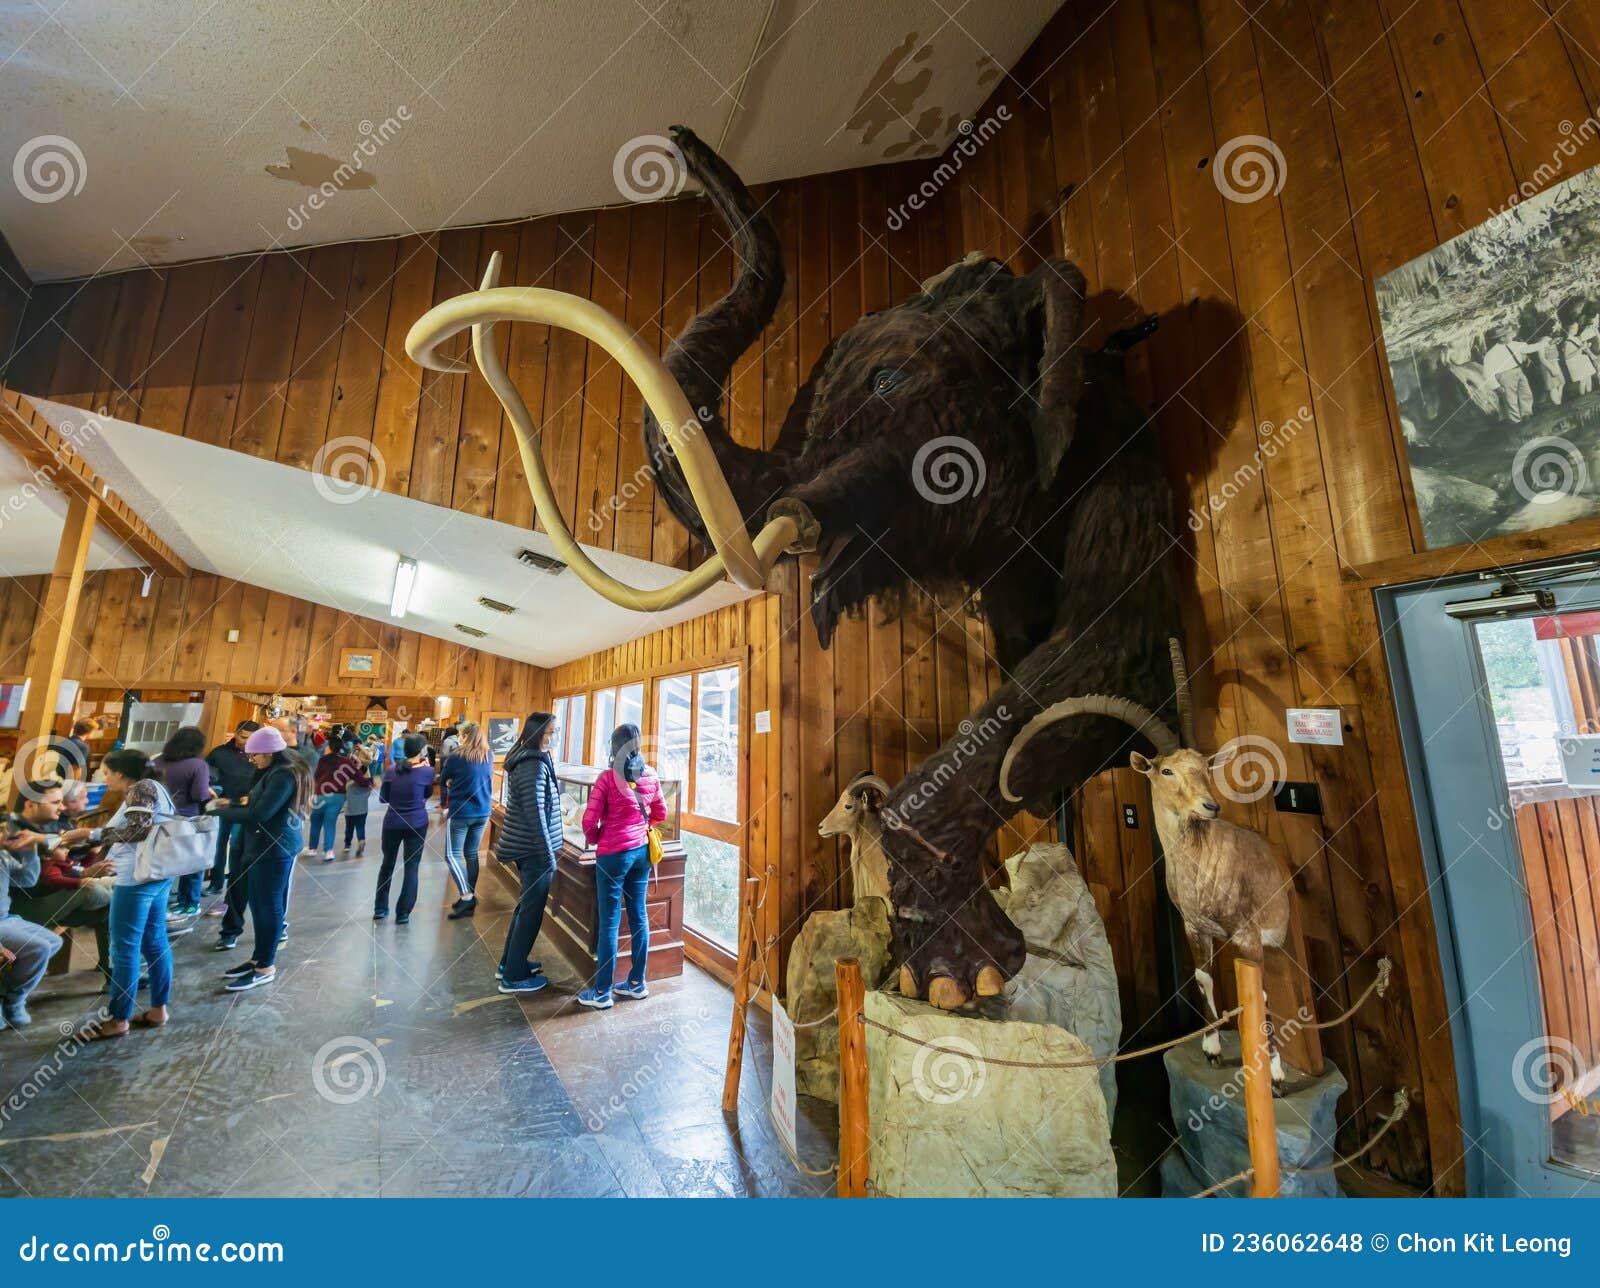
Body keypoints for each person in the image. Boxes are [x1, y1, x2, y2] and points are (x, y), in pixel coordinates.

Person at [60, 751, 177, 1040]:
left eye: (107, 772)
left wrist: (91, 834)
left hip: (136, 877)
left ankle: (118, 1018)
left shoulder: (141, 788)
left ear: (123, 774)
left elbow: (138, 830)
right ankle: (158, 1009)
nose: (104, 777)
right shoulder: (155, 788)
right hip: (158, 873)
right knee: (154, 940)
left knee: (124, 947)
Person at [208, 726, 311, 991]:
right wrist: (230, 806)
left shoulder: (284, 776)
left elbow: (261, 814)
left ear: (269, 752)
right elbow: (256, 807)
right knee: (259, 904)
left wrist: (219, 814)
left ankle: (265, 965)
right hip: (264, 846)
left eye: (254, 755)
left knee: (268, 907)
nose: (250, 759)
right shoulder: (273, 772)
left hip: (274, 849)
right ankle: (257, 958)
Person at [577, 723, 665, 1011]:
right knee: (639, 916)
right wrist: (642, 826)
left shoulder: (607, 778)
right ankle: (637, 983)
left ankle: (603, 991)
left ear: (613, 746)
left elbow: (588, 823)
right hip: (640, 853)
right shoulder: (650, 774)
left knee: (610, 923)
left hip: (613, 856)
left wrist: (598, 838)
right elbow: (661, 813)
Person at [14, 781, 116, 987]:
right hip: (20, 910)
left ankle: (113, 975)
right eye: (56, 802)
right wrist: (83, 874)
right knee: (93, 891)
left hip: (46, 900)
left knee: (107, 911)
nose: (62, 807)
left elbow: (61, 866)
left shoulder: (42, 830)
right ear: (30, 804)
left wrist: (84, 870)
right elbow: (46, 877)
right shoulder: (15, 831)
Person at [495, 713, 563, 995]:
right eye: (552, 731)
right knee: (531, 912)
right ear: (539, 733)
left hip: (529, 845)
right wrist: (548, 854)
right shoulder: (532, 764)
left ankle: (511, 963)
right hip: (534, 849)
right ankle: (513, 978)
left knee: (526, 908)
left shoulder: (531, 758)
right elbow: (536, 813)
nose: (555, 735)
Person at [0, 783, 65, 1028]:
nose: (61, 807)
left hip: (6, 917)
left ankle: (7, 994)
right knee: (37, 948)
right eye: (55, 802)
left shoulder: (5, 850)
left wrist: (29, 852)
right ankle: (14, 1000)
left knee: (52, 942)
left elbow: (26, 880)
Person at [374, 733, 434, 924]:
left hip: (392, 822)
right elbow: (428, 794)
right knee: (412, 867)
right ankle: (403, 912)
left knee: (387, 864)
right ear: (421, 751)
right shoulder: (427, 772)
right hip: (417, 822)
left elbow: (383, 798)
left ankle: (380, 908)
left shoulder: (392, 771)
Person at [157, 725, 216, 921]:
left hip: (161, 819)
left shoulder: (157, 761)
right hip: (188, 820)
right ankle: (189, 904)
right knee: (192, 862)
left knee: (164, 864)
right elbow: (199, 794)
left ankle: (161, 905)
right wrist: (213, 794)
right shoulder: (197, 765)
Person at [439, 722, 494, 919]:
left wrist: (451, 784)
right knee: (471, 854)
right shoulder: (489, 755)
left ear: (465, 736)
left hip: (462, 812)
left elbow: (444, 778)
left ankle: (467, 896)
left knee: (451, 855)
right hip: (483, 812)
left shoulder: (456, 757)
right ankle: (467, 899)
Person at [205, 720, 260, 909]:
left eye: (251, 739)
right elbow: (207, 776)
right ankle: (215, 883)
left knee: (237, 848)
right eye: (243, 737)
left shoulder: (258, 756)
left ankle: (233, 890)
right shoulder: (218, 754)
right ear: (236, 733)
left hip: (244, 809)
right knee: (217, 846)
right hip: (222, 806)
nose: (246, 742)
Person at [308, 742, 357, 862]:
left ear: (329, 748)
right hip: (337, 797)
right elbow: (357, 776)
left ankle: (312, 849)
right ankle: (328, 851)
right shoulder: (346, 762)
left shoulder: (322, 760)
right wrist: (368, 783)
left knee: (315, 822)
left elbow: (316, 776)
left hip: (320, 794)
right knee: (330, 824)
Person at [342, 746, 374, 856]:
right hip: (363, 809)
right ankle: (361, 840)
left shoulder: (348, 784)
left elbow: (344, 796)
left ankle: (347, 845)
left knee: (349, 828)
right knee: (361, 827)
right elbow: (368, 794)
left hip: (350, 809)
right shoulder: (366, 785)